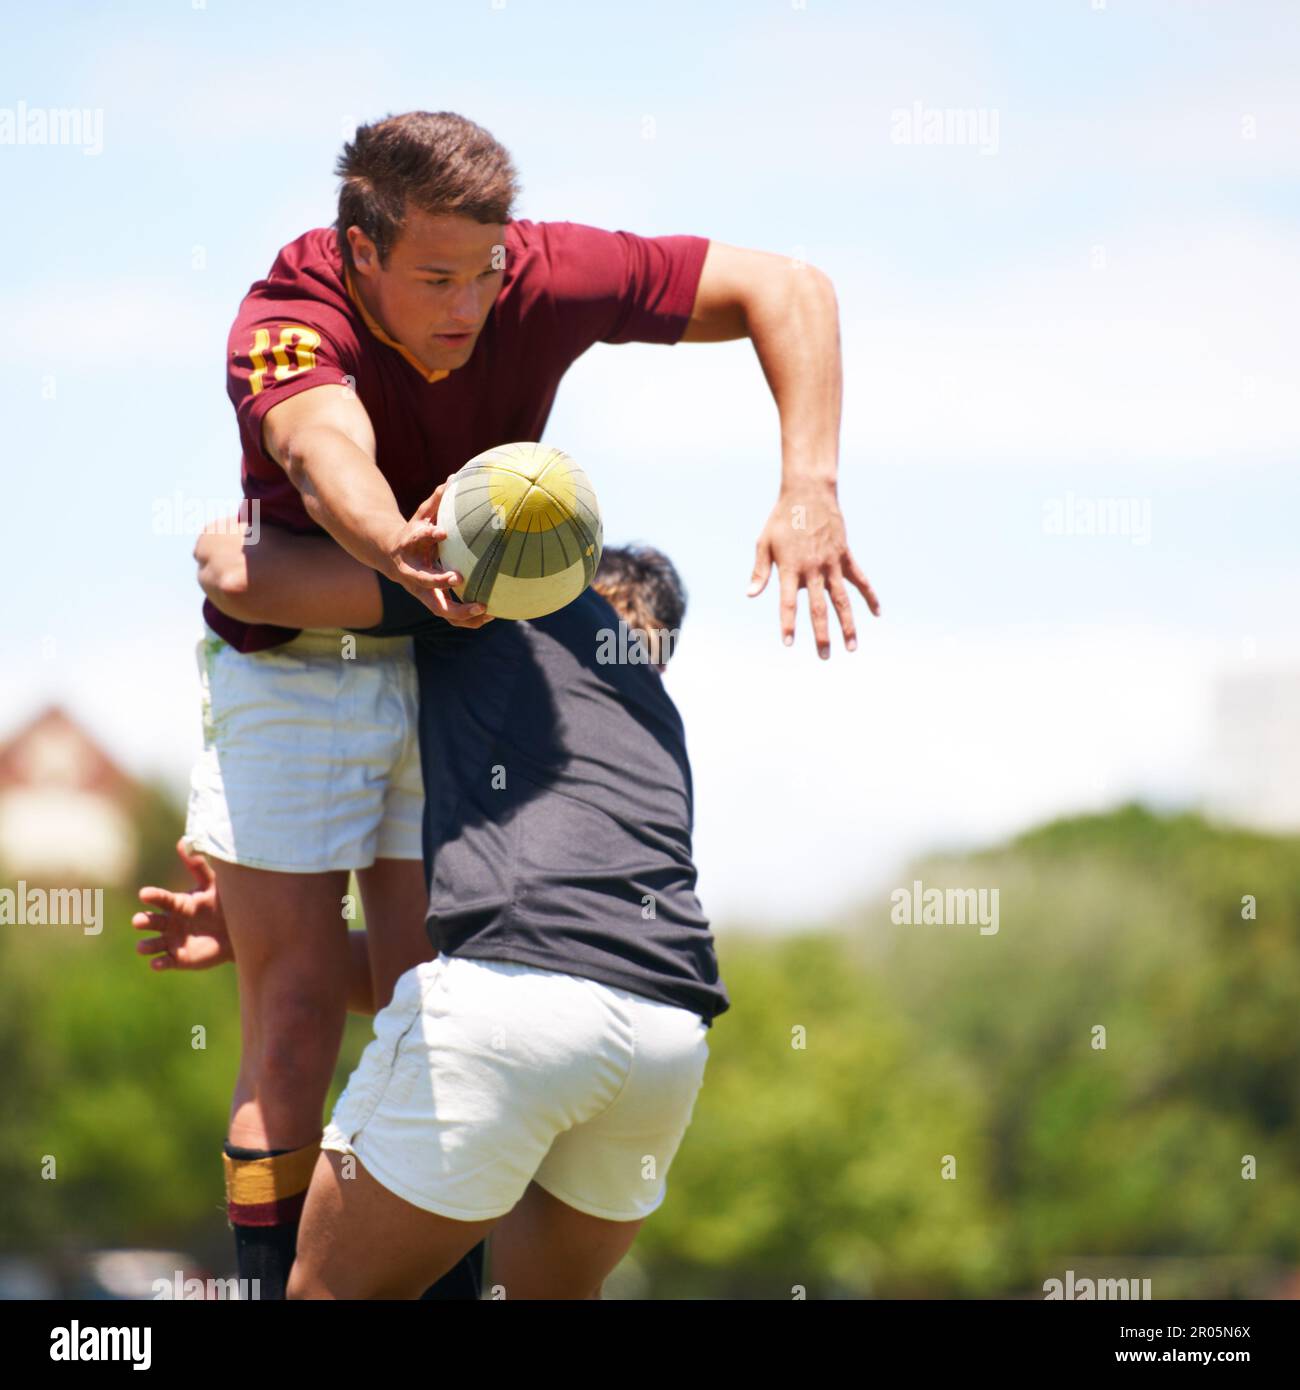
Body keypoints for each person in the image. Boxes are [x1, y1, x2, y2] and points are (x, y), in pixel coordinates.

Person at [188, 107, 878, 1298]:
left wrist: (807, 483)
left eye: (487, 271)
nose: (470, 304)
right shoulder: (287, 320)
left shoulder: (540, 274)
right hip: (303, 637)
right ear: (359, 254)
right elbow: (323, 451)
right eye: (436, 278)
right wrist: (393, 549)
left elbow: (791, 285)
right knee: (297, 1008)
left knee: (427, 993)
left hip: (443, 637)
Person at [139, 538, 726, 1298]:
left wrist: (222, 544)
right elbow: (573, 953)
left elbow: (246, 583)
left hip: (515, 1013)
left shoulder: (507, 607)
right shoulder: (656, 723)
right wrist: (262, 933)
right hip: (666, 1040)